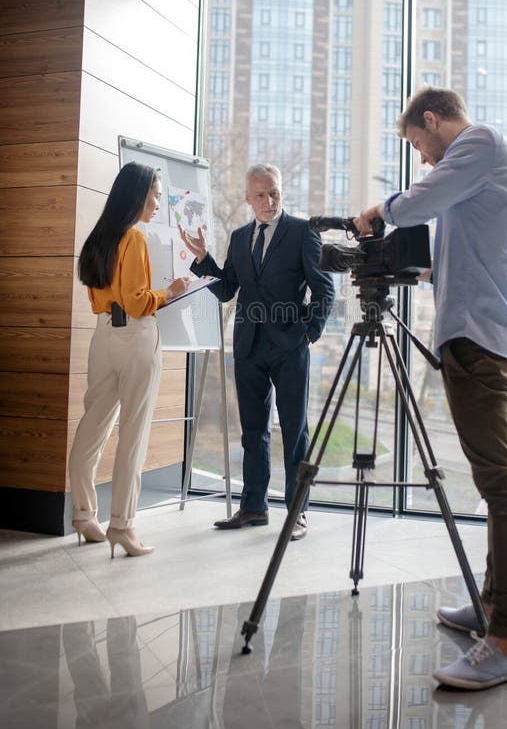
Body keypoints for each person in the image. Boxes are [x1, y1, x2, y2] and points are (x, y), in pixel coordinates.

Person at [355, 86, 507, 690]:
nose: (424, 161)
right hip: (475, 337)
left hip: (481, 342)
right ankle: (490, 608)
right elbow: (483, 252)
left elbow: (416, 204)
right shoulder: (485, 171)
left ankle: (505, 639)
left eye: (418, 145)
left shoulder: (481, 143)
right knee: (493, 484)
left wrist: (380, 211)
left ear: (432, 121)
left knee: (503, 487)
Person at [179, 163, 334, 541]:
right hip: (248, 345)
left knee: (295, 431)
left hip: (289, 346)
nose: (269, 201)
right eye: (261, 195)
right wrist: (203, 262)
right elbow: (228, 288)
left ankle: (298, 513)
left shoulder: (302, 232)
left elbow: (324, 288)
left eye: (275, 192)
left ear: (281, 192)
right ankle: (254, 507)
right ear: (248, 198)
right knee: (253, 431)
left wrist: (309, 333)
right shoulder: (238, 237)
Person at [69, 162, 189, 558]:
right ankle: (123, 525)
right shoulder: (133, 238)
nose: (157, 202)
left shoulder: (99, 237)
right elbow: (138, 302)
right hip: (136, 338)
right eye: (154, 194)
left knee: (93, 427)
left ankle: (85, 515)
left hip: (102, 337)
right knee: (133, 434)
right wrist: (169, 292)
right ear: (137, 195)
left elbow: (99, 297)